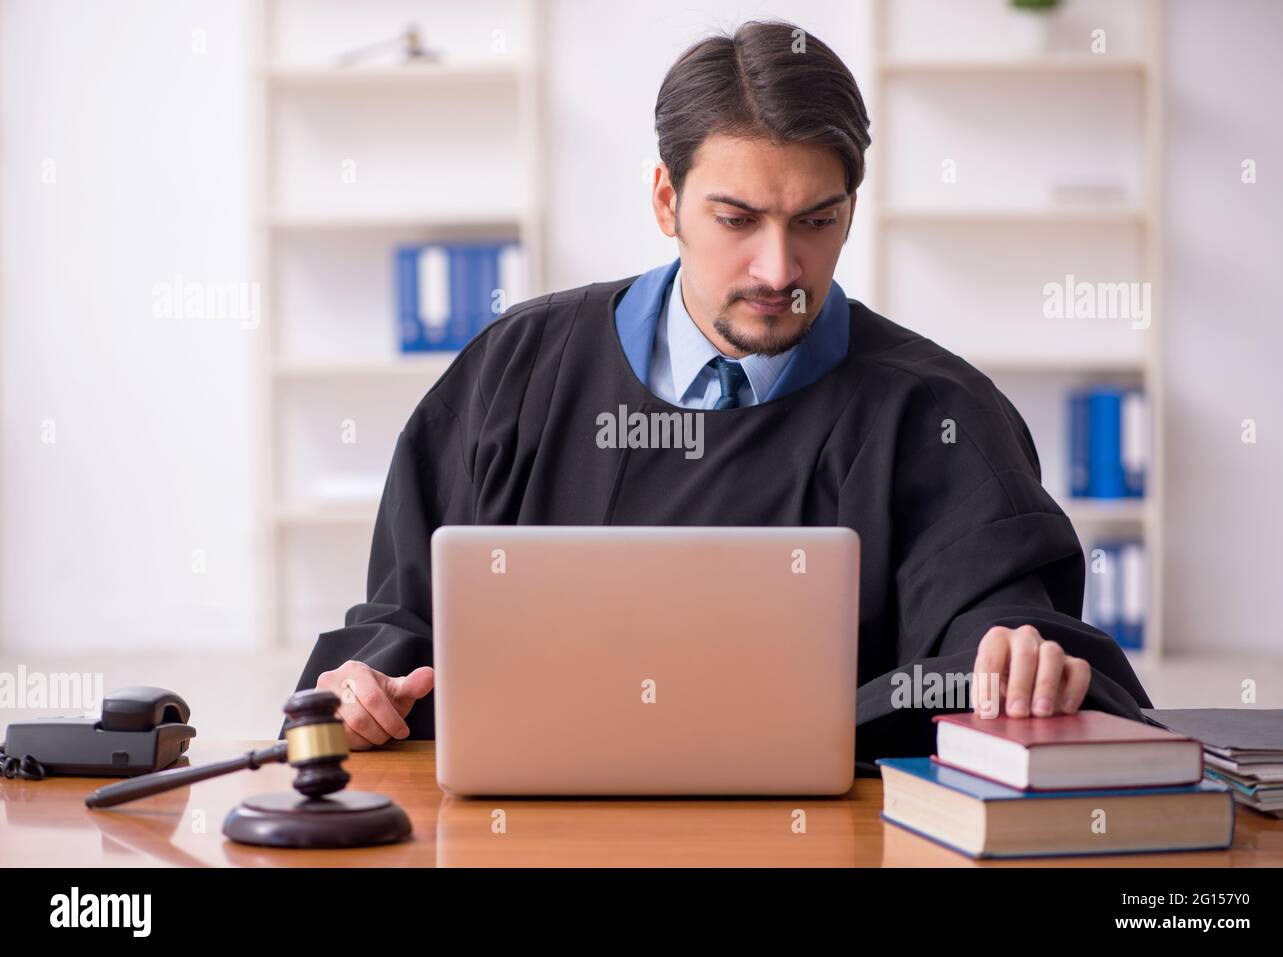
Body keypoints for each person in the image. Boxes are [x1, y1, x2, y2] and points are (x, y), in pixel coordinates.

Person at [284, 19, 1152, 760]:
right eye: (737, 220)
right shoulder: (518, 370)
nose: (780, 270)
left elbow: (994, 620)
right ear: (667, 201)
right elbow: (401, 615)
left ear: (851, 206)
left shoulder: (938, 413)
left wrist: (1018, 658)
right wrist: (366, 681)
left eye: (817, 221)